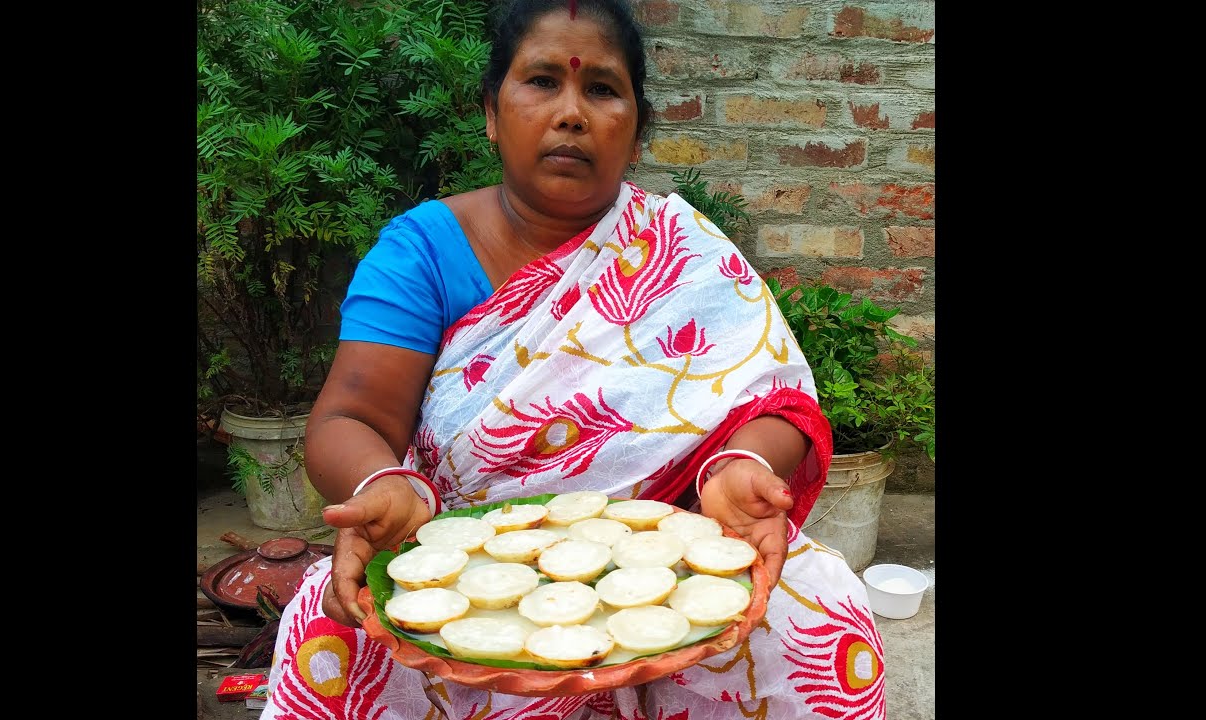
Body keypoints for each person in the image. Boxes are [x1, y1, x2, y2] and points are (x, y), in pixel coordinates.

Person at [260, 1, 886, 718]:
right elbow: (349, 414)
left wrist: (737, 469)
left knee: (822, 609)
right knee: (332, 620)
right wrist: (383, 487)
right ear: (492, 111)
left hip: (674, 548)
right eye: (541, 81)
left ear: (638, 127)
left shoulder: (683, 252)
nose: (571, 113)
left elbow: (772, 403)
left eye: (601, 89)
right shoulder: (422, 253)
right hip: (469, 560)